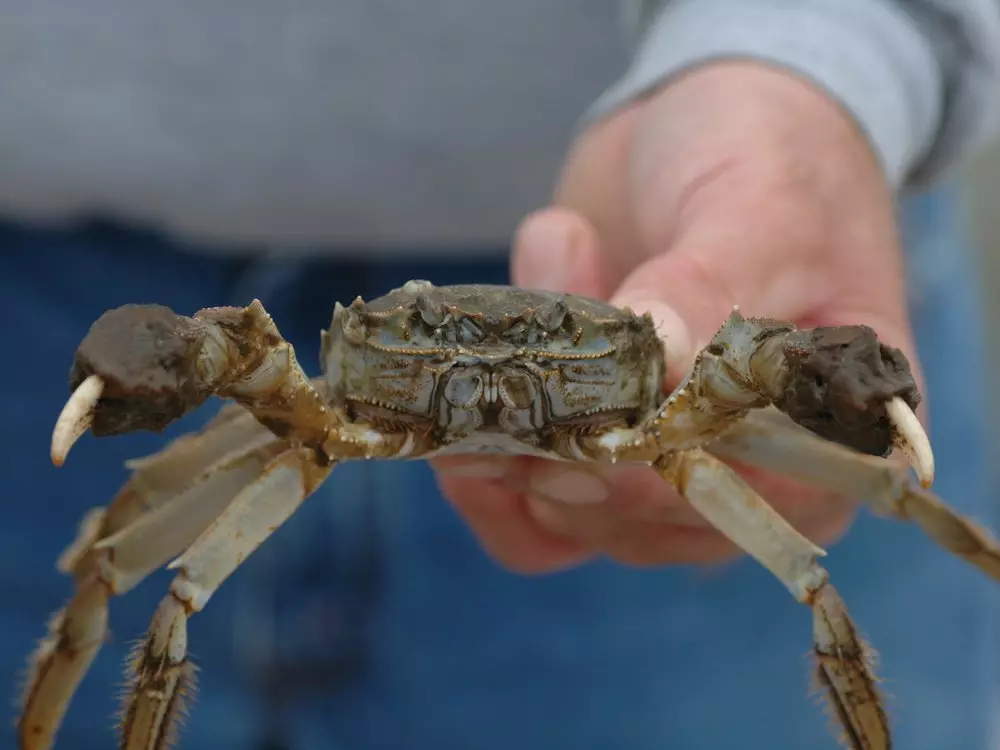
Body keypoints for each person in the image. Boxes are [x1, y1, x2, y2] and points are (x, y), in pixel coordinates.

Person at [3, 2, 999, 749]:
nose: (486, 387)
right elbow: (186, 431)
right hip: (39, 258)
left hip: (730, 199)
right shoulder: (296, 403)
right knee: (139, 578)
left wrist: (831, 59)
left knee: (852, 539)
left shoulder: (685, 392)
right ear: (361, 340)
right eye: (427, 344)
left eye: (527, 369)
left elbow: (842, 441)